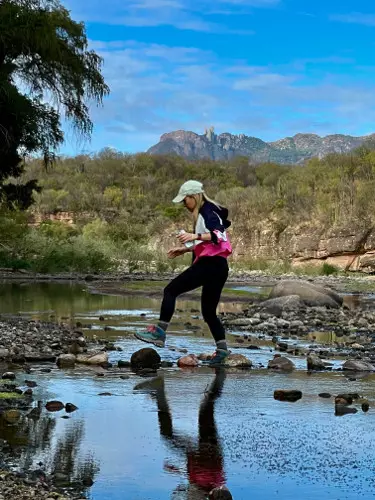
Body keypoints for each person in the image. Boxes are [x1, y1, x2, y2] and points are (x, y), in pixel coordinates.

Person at [135, 180, 232, 366]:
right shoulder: (210, 211)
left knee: (170, 291)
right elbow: (212, 242)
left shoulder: (207, 211)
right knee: (209, 312)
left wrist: (193, 236)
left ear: (193, 197)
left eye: (184, 200)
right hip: (220, 266)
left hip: (209, 265)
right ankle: (222, 351)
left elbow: (219, 236)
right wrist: (186, 249)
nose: (184, 204)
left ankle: (159, 333)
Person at [134, 369, 233, 499]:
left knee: (205, 410)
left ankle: (159, 390)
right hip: (206, 454)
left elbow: (199, 478)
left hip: (207, 453)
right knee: (204, 411)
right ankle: (220, 375)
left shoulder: (212, 486)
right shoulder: (212, 489)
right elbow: (204, 479)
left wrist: (179, 470)